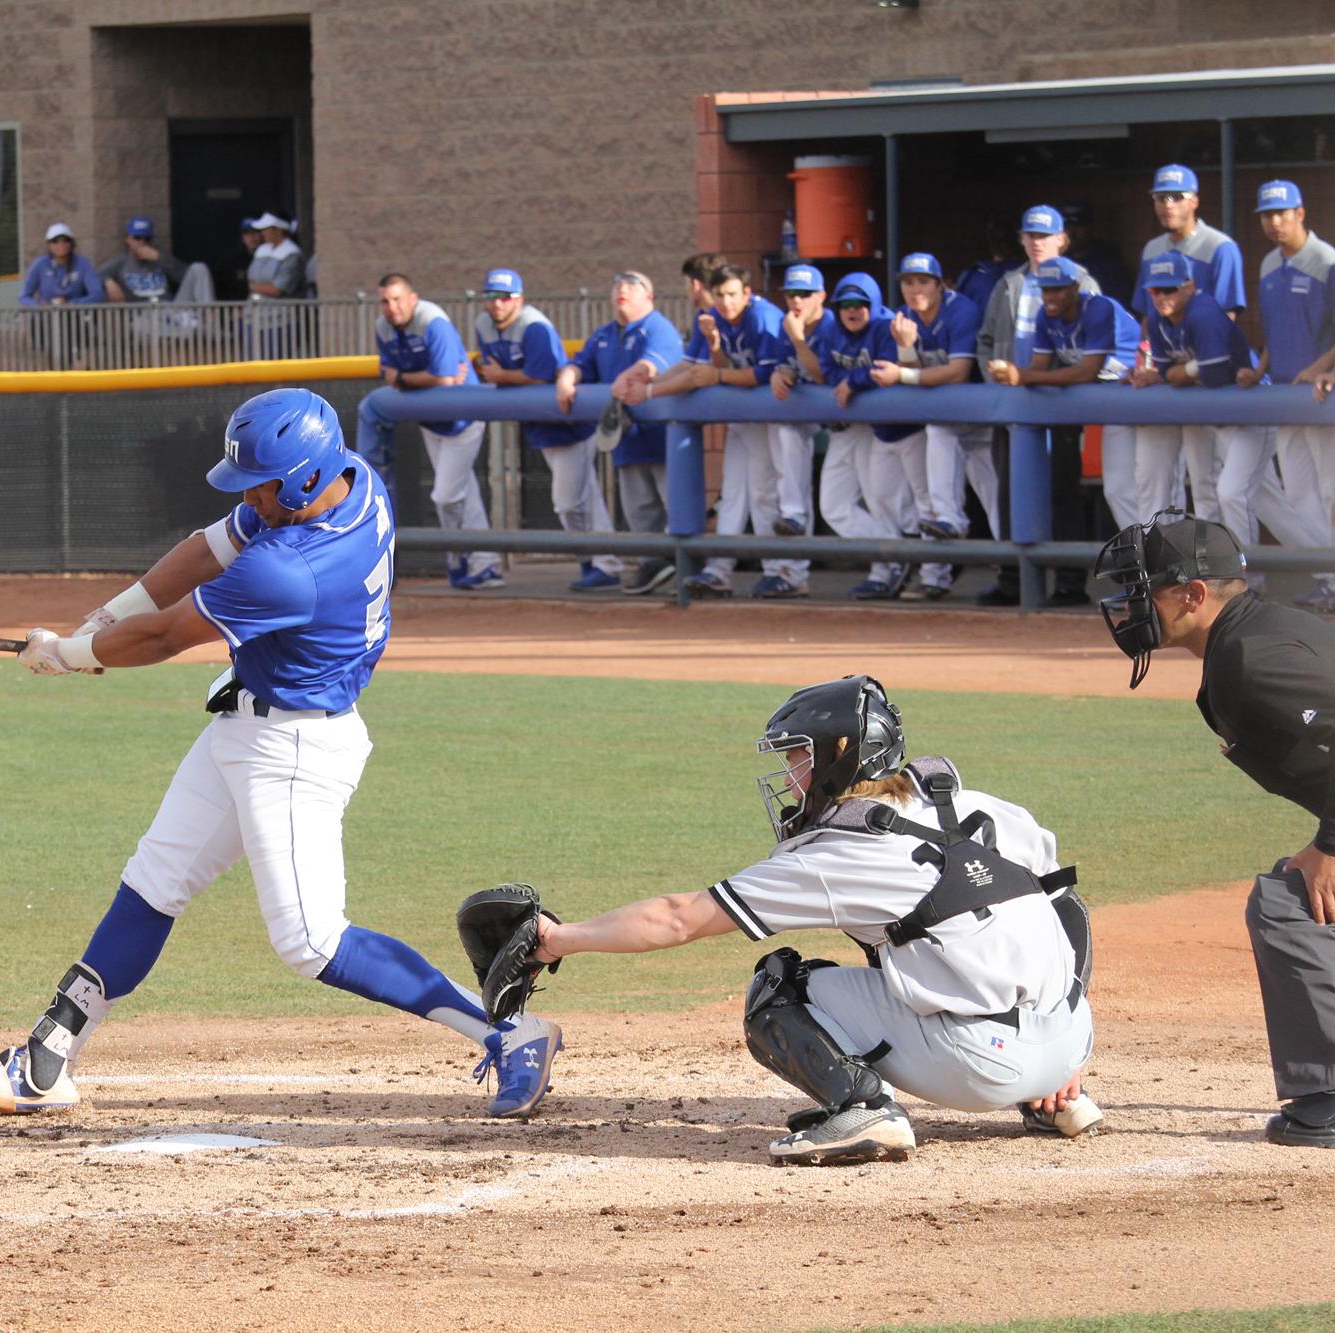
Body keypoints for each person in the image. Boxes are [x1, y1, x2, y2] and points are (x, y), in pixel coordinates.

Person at [0, 388, 561, 1120]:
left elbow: (168, 637)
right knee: (154, 880)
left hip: (293, 746)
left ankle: (511, 1032)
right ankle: (46, 1057)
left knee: (310, 940)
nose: (252, 497)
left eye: (262, 483)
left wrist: (69, 655)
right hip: (248, 720)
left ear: (298, 479)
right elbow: (206, 547)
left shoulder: (290, 567)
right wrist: (107, 620)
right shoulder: (350, 477)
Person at [515, 675, 1099, 1166]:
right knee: (925, 939)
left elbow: (677, 919)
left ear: (836, 753)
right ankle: (1045, 1096)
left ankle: (863, 1111)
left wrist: (557, 939)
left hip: (981, 1066)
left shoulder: (840, 851)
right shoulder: (980, 806)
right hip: (1070, 1042)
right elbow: (1067, 910)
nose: (790, 772)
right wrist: (1062, 1044)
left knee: (779, 989)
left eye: (797, 754)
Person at [1093, 510, 1335, 1146]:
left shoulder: (1256, 660)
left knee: (1289, 903)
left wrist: (1329, 846)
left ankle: (1330, 1100)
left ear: (1193, 595)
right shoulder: (1251, 641)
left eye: (1141, 591)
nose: (1126, 606)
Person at [1131, 251, 1327, 574]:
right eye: (1156, 291)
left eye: (1170, 289)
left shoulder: (1203, 313)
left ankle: (1253, 581)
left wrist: (1183, 371)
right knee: (1242, 499)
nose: (1162, 297)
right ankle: (1319, 574)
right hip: (1210, 418)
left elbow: (1213, 375)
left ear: (1189, 287)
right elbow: (1170, 374)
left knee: (1235, 493)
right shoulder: (1158, 321)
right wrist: (1182, 372)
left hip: (1249, 414)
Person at [986, 252, 1133, 607]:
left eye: (1057, 290)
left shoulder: (1098, 308)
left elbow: (1085, 371)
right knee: (1121, 493)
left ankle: (1159, 580)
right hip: (1113, 411)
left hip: (1139, 397)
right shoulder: (1045, 315)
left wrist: (1023, 376)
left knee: (1142, 493)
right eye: (1045, 290)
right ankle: (1145, 582)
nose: (1049, 297)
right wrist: (1019, 375)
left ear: (1074, 288)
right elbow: (1040, 366)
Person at [976, 206, 1104, 607]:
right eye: (1030, 234)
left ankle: (1069, 581)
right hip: (1012, 403)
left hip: (1058, 402)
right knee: (1010, 493)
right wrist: (993, 377)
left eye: (1045, 235)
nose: (1037, 241)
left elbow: (1093, 345)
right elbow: (985, 340)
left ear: (1062, 239)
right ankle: (1012, 579)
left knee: (1063, 493)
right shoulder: (1010, 283)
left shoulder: (1083, 283)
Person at [473, 267, 622, 592]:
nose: (498, 304)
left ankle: (601, 563)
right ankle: (602, 564)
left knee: (569, 502)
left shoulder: (534, 326)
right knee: (584, 500)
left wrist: (505, 376)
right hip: (540, 424)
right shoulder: (484, 325)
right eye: (492, 297)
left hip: (569, 423)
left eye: (506, 297)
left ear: (519, 299)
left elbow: (544, 375)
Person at [645, 264, 783, 599]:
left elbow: (762, 375)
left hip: (778, 417)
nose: (725, 302)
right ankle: (719, 571)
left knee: (767, 495)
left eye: (732, 294)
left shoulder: (763, 316)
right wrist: (650, 383)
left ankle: (783, 572)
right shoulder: (711, 318)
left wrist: (717, 376)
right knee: (734, 493)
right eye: (720, 294)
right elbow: (696, 366)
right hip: (743, 417)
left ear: (746, 294)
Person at [362, 274, 502, 588]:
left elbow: (447, 380)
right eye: (385, 300)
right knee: (465, 495)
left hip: (463, 418)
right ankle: (486, 564)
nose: (392, 307)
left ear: (412, 299)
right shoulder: (383, 327)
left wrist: (404, 378)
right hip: (431, 420)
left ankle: (459, 556)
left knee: (446, 497)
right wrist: (410, 378)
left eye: (397, 299)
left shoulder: (432, 321)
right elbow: (390, 375)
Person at [873, 251, 991, 599]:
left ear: (940, 285)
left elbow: (958, 373)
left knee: (997, 501)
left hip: (983, 415)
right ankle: (950, 521)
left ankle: (1014, 576)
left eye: (923, 281)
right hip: (949, 419)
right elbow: (916, 376)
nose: (915, 289)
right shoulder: (905, 319)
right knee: (939, 430)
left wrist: (904, 372)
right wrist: (907, 352)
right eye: (908, 282)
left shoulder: (962, 309)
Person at [560, 271, 683, 595]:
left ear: (649, 296)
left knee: (677, 508)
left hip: (664, 436)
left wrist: (627, 377)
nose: (622, 290)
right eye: (617, 285)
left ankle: (686, 570)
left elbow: (652, 365)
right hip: (627, 440)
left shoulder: (658, 327)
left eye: (632, 285)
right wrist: (567, 377)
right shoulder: (603, 334)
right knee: (640, 512)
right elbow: (580, 364)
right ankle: (652, 566)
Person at [811, 272, 918, 599]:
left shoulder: (885, 326)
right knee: (833, 506)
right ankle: (894, 556)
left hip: (891, 428)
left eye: (860, 304)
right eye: (845, 304)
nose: (852, 310)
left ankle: (893, 567)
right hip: (851, 426)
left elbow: (886, 368)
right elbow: (826, 371)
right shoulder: (830, 329)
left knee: (887, 502)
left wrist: (853, 382)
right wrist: (849, 381)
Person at [1254, 180, 1335, 612]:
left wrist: (1323, 367)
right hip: (1285, 395)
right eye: (1267, 214)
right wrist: (1260, 369)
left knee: (1330, 492)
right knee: (1300, 495)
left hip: (1323, 398)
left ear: (1300, 213)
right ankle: (1329, 579)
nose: (1274, 221)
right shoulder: (1268, 263)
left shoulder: (1326, 260)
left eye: (1282, 212)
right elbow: (1274, 332)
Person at [746, 262, 838, 598]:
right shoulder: (785, 326)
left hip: (853, 425)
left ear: (821, 296)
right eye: (791, 294)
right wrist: (777, 373)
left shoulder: (830, 323)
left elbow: (825, 375)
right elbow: (778, 364)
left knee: (873, 503)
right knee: (778, 491)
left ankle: (909, 565)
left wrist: (800, 341)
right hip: (808, 420)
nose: (796, 301)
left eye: (804, 294)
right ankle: (788, 573)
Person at [1132, 164, 1247, 320]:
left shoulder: (1220, 247)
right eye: (1160, 198)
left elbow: (1227, 313)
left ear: (1194, 201)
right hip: (1162, 343)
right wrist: (1146, 343)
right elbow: (1147, 313)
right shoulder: (1151, 250)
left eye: (1177, 197)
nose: (1168, 205)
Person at [245, 213, 307, 357]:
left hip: (280, 321)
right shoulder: (262, 250)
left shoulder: (291, 254)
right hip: (254, 318)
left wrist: (255, 287)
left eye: (266, 229)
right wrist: (262, 286)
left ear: (278, 230)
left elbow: (279, 289)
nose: (262, 233)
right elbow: (251, 277)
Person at [1060, 202, 1133, 317]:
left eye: (1079, 226)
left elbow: (1118, 309)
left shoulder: (1108, 264)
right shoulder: (1058, 261)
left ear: (1090, 227)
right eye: (1067, 227)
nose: (1072, 232)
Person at [101, 216, 189, 303]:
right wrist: (107, 281)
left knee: (198, 268)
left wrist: (159, 258)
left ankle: (202, 312)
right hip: (140, 312)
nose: (142, 242)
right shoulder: (121, 262)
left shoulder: (160, 258)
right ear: (128, 240)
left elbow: (186, 277)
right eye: (137, 237)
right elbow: (94, 276)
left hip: (168, 310)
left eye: (147, 239)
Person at [18, 222, 105, 308]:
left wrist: (71, 304)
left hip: (75, 316)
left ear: (71, 244)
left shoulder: (83, 263)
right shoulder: (39, 264)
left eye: (66, 240)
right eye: (55, 241)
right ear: (48, 245)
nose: (61, 244)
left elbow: (98, 294)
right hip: (45, 317)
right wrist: (40, 306)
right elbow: (24, 296)